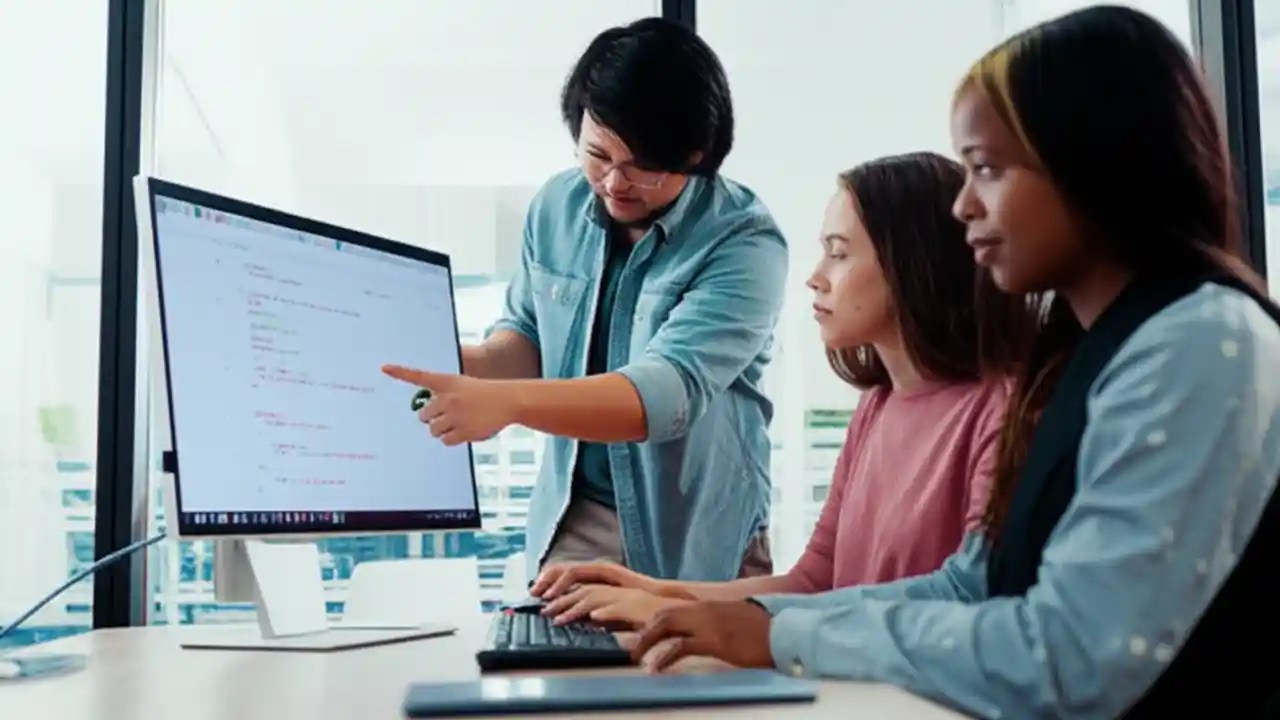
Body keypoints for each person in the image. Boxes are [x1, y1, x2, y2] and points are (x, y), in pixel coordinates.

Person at [628, 7, 1280, 719]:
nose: (965, 206)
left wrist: (782, 633)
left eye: (989, 171)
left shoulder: (1199, 341)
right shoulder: (1089, 356)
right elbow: (973, 585)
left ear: (1091, 163)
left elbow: (1072, 655)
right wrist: (754, 622)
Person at [529, 152, 1035, 629]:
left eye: (838, 253)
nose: (815, 279)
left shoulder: (1002, 410)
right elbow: (814, 581)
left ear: (912, 264)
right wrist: (656, 593)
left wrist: (679, 612)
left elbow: (969, 594)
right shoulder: (877, 407)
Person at [382, 18, 787, 583]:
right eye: (598, 156)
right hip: (575, 523)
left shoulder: (744, 242)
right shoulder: (555, 207)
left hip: (697, 537)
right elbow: (525, 342)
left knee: (696, 672)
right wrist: (445, 365)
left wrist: (510, 405)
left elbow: (667, 393)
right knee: (549, 659)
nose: (616, 183)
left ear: (695, 157)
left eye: (644, 168)